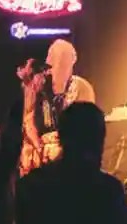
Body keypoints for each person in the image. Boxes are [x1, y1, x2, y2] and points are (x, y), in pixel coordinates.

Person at [18, 38, 96, 175]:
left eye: (62, 64)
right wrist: (39, 146)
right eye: (52, 65)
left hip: (69, 147)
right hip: (42, 146)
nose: (54, 71)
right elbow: (28, 120)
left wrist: (61, 146)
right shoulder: (40, 87)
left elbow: (85, 128)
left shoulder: (81, 87)